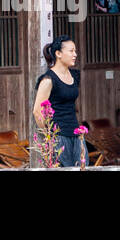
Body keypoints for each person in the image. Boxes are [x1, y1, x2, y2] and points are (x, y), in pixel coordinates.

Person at [33, 35, 84, 167]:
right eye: (71, 51)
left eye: (75, 51)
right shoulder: (48, 80)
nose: (75, 54)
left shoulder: (74, 75)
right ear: (58, 54)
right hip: (59, 136)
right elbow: (37, 111)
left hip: (76, 133)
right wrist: (49, 137)